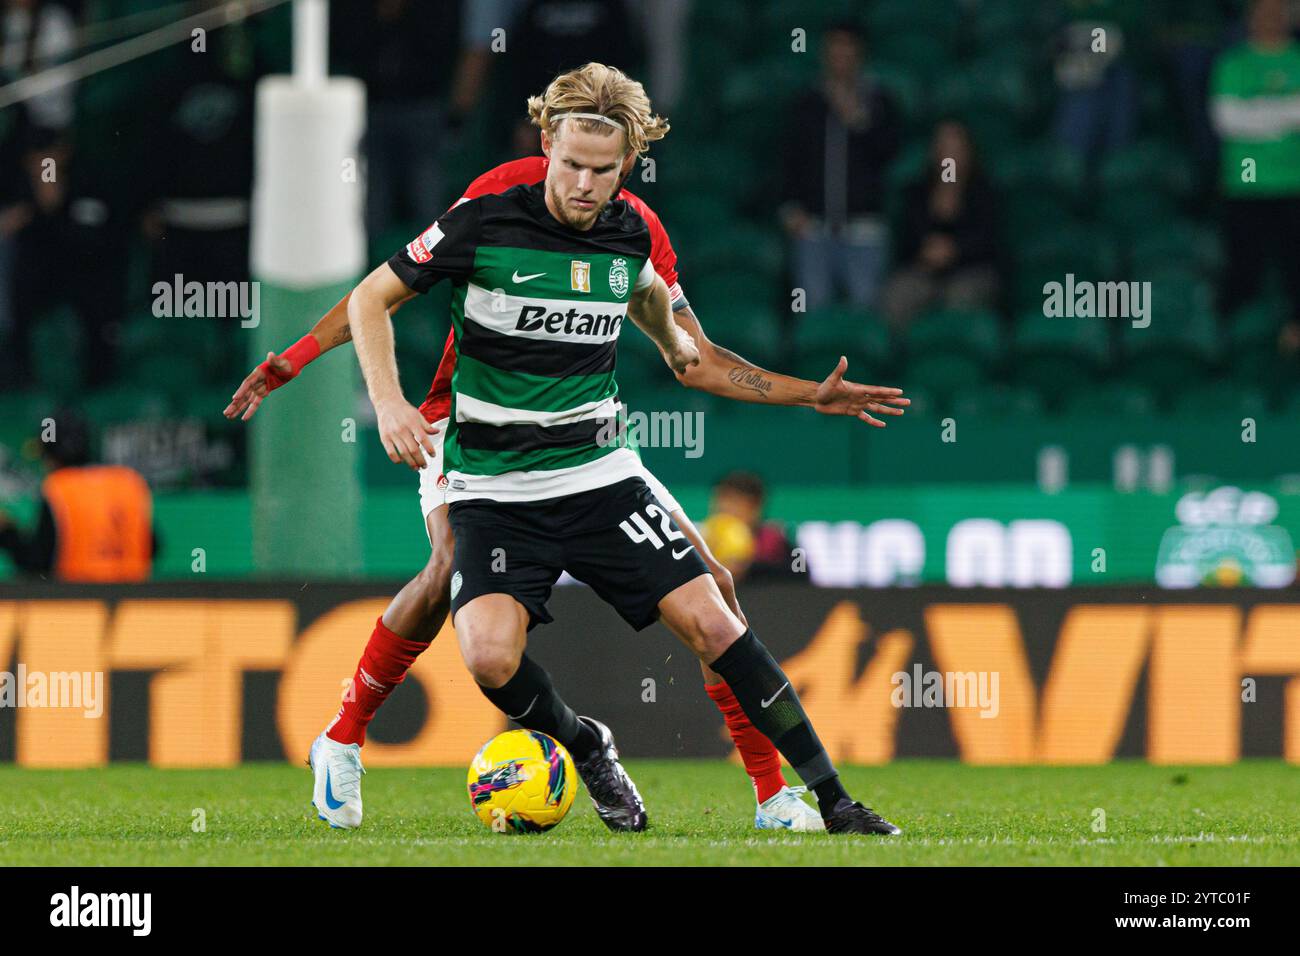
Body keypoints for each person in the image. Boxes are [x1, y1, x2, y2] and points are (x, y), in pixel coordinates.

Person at [226, 66, 906, 834]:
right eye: (572, 164)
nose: (584, 184)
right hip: (475, 449)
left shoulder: (635, 235)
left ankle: (807, 797)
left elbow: (694, 358)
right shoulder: (486, 214)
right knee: (474, 625)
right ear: (546, 143)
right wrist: (364, 392)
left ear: (628, 167)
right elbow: (372, 295)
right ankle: (525, 743)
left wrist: (808, 392)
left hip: (595, 466)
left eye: (603, 171)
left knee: (715, 602)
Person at [779, 21, 902, 311]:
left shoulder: (880, 102)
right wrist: (788, 206)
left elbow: (891, 153)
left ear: (860, 55)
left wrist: (859, 121)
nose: (841, 59)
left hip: (864, 230)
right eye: (835, 51)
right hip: (813, 228)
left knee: (866, 314)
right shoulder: (807, 104)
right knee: (813, 316)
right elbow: (789, 159)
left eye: (848, 52)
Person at [1210, 0, 1300, 354]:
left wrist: (1258, 112)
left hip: (1294, 184)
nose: (1269, 19)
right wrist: (1287, 112)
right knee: (1242, 272)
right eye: (1262, 12)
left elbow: (1249, 119)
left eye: (1277, 12)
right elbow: (1230, 121)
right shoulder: (1233, 63)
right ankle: (1229, 348)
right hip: (1246, 183)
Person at [0, 413, 158, 581]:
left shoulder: (59, 487)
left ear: (53, 456)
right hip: (136, 599)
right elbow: (153, 545)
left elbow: (37, 562)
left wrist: (8, 533)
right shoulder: (128, 481)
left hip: (79, 600)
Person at [881, 119, 1002, 330]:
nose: (950, 155)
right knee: (897, 295)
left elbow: (990, 240)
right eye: (944, 147)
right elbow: (905, 240)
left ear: (968, 152)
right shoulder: (916, 193)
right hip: (923, 270)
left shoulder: (984, 193)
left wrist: (955, 249)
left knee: (959, 298)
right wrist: (926, 251)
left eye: (955, 148)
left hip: (971, 271)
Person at [701, 472, 803, 585]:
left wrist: (747, 567)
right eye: (721, 500)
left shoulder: (774, 542)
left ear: (756, 508)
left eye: (735, 502)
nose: (725, 508)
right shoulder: (701, 542)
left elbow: (801, 576)